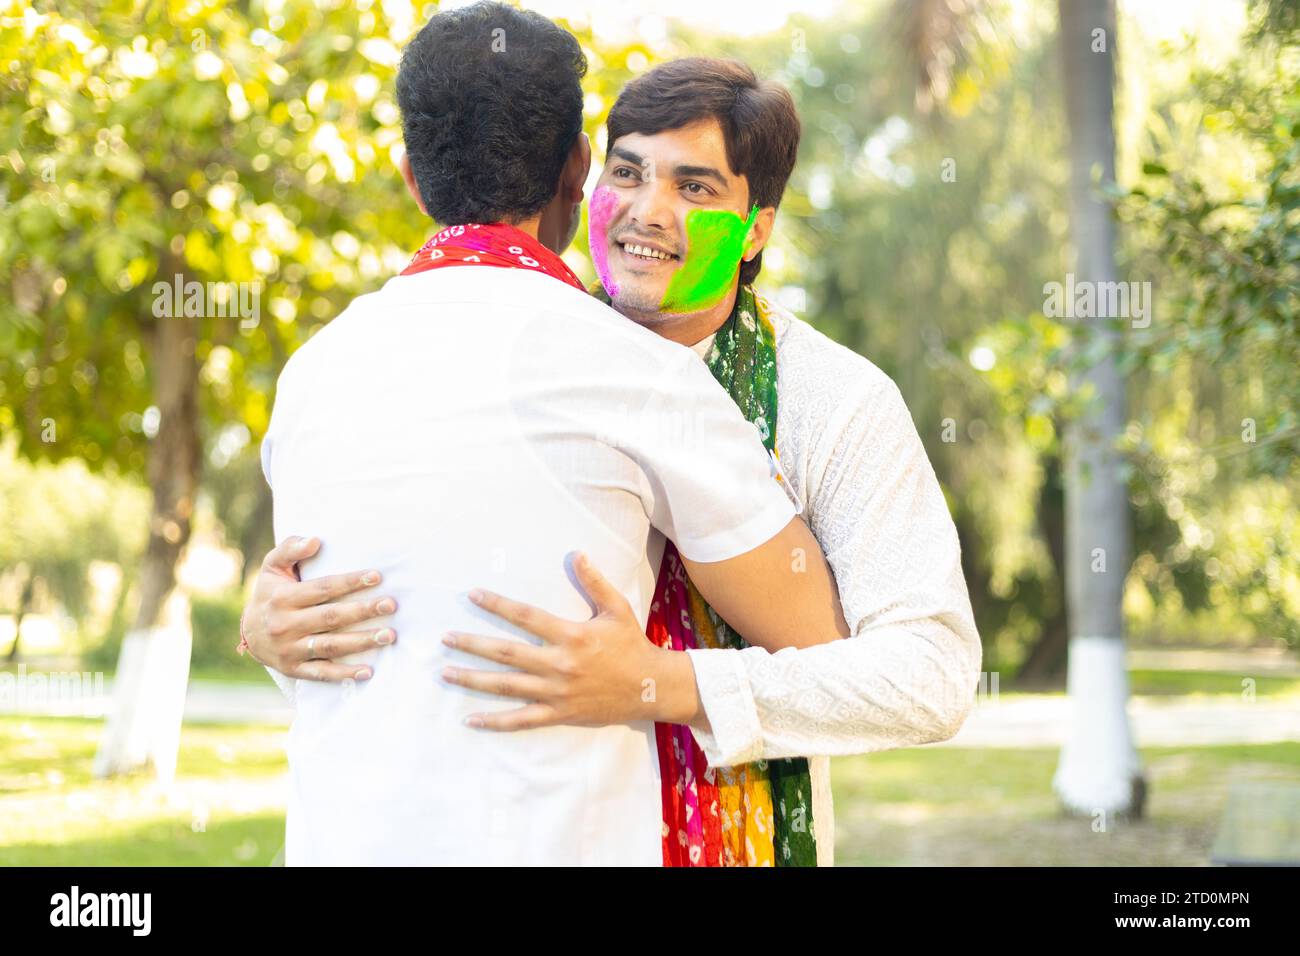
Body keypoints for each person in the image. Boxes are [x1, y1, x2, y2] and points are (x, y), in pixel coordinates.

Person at [253, 1, 847, 866]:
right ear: (580, 169)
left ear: (411, 178)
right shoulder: (632, 368)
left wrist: (256, 631)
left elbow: (330, 633)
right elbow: (820, 644)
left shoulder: (312, 372)